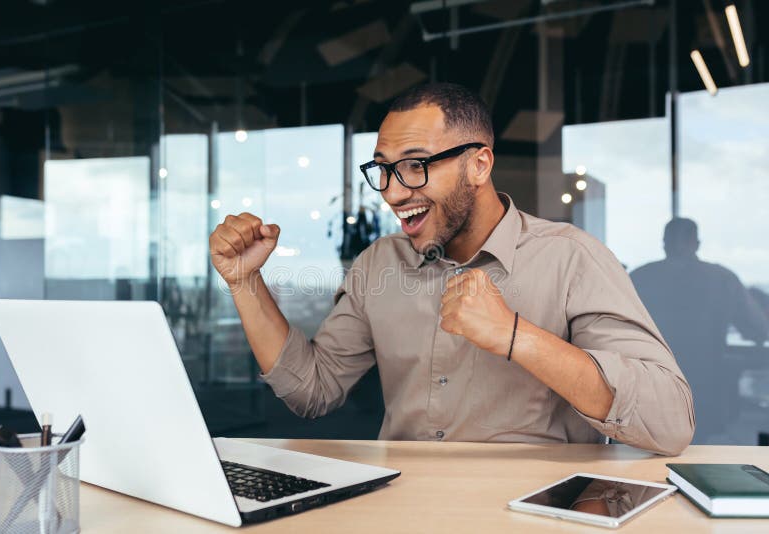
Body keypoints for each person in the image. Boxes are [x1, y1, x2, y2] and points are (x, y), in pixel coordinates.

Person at [209, 83, 694, 456]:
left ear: (479, 165)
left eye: (416, 165)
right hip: (404, 508)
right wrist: (244, 282)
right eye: (384, 168)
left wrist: (515, 336)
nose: (394, 192)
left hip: (534, 516)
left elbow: (669, 421)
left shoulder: (572, 258)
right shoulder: (380, 263)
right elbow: (311, 390)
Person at [630, 218, 769, 443]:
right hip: (705, 390)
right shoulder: (722, 279)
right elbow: (758, 330)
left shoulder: (640, 278)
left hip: (650, 388)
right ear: (696, 243)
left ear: (664, 243)